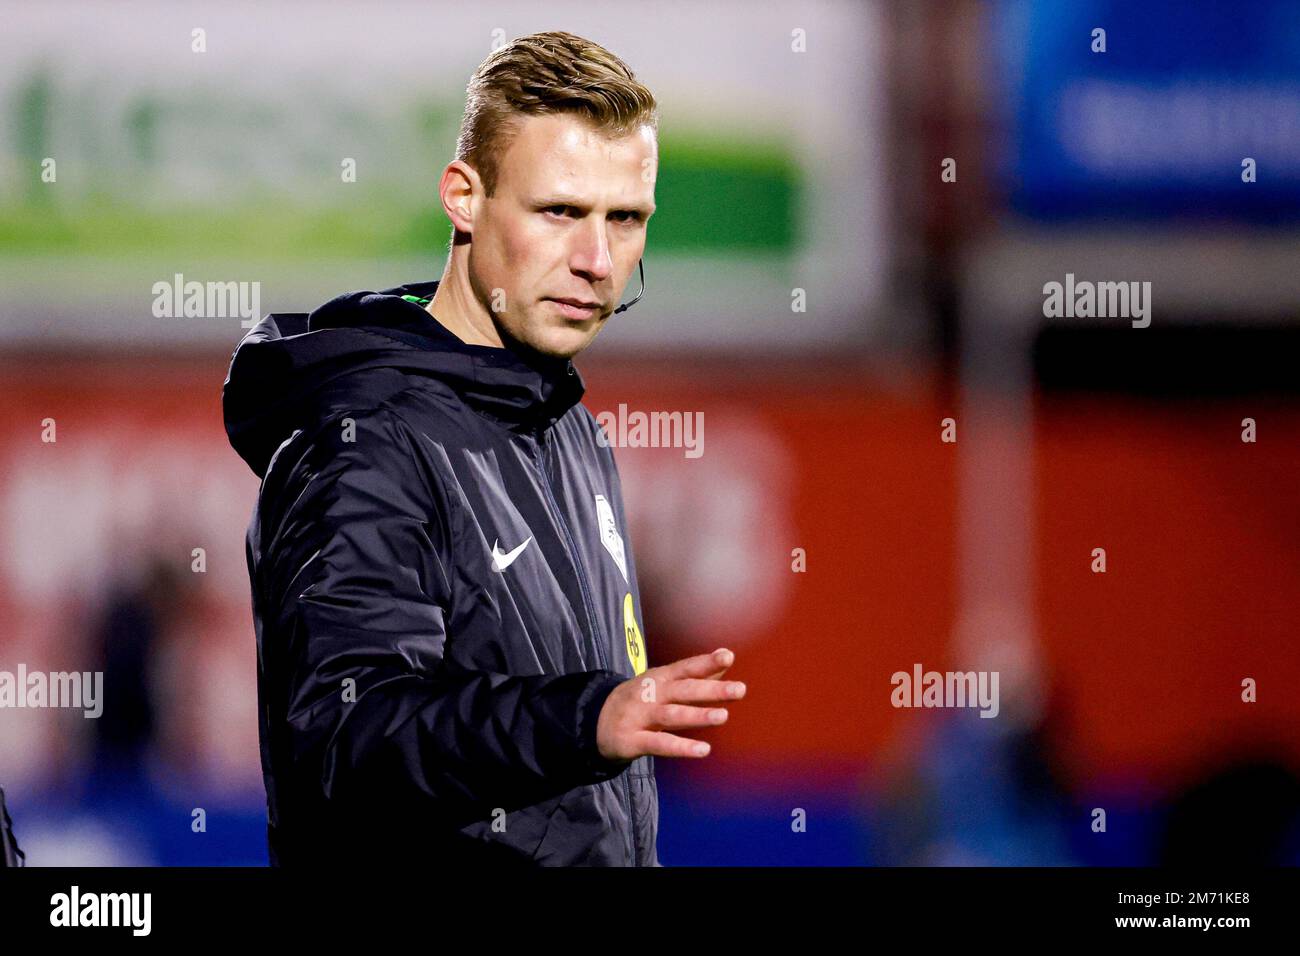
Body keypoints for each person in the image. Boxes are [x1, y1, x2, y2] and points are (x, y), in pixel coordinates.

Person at [222, 30, 746, 867]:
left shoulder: (570, 432)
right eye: (561, 212)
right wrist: (585, 719)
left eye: (626, 219)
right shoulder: (367, 438)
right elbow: (346, 740)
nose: (597, 260)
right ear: (463, 197)